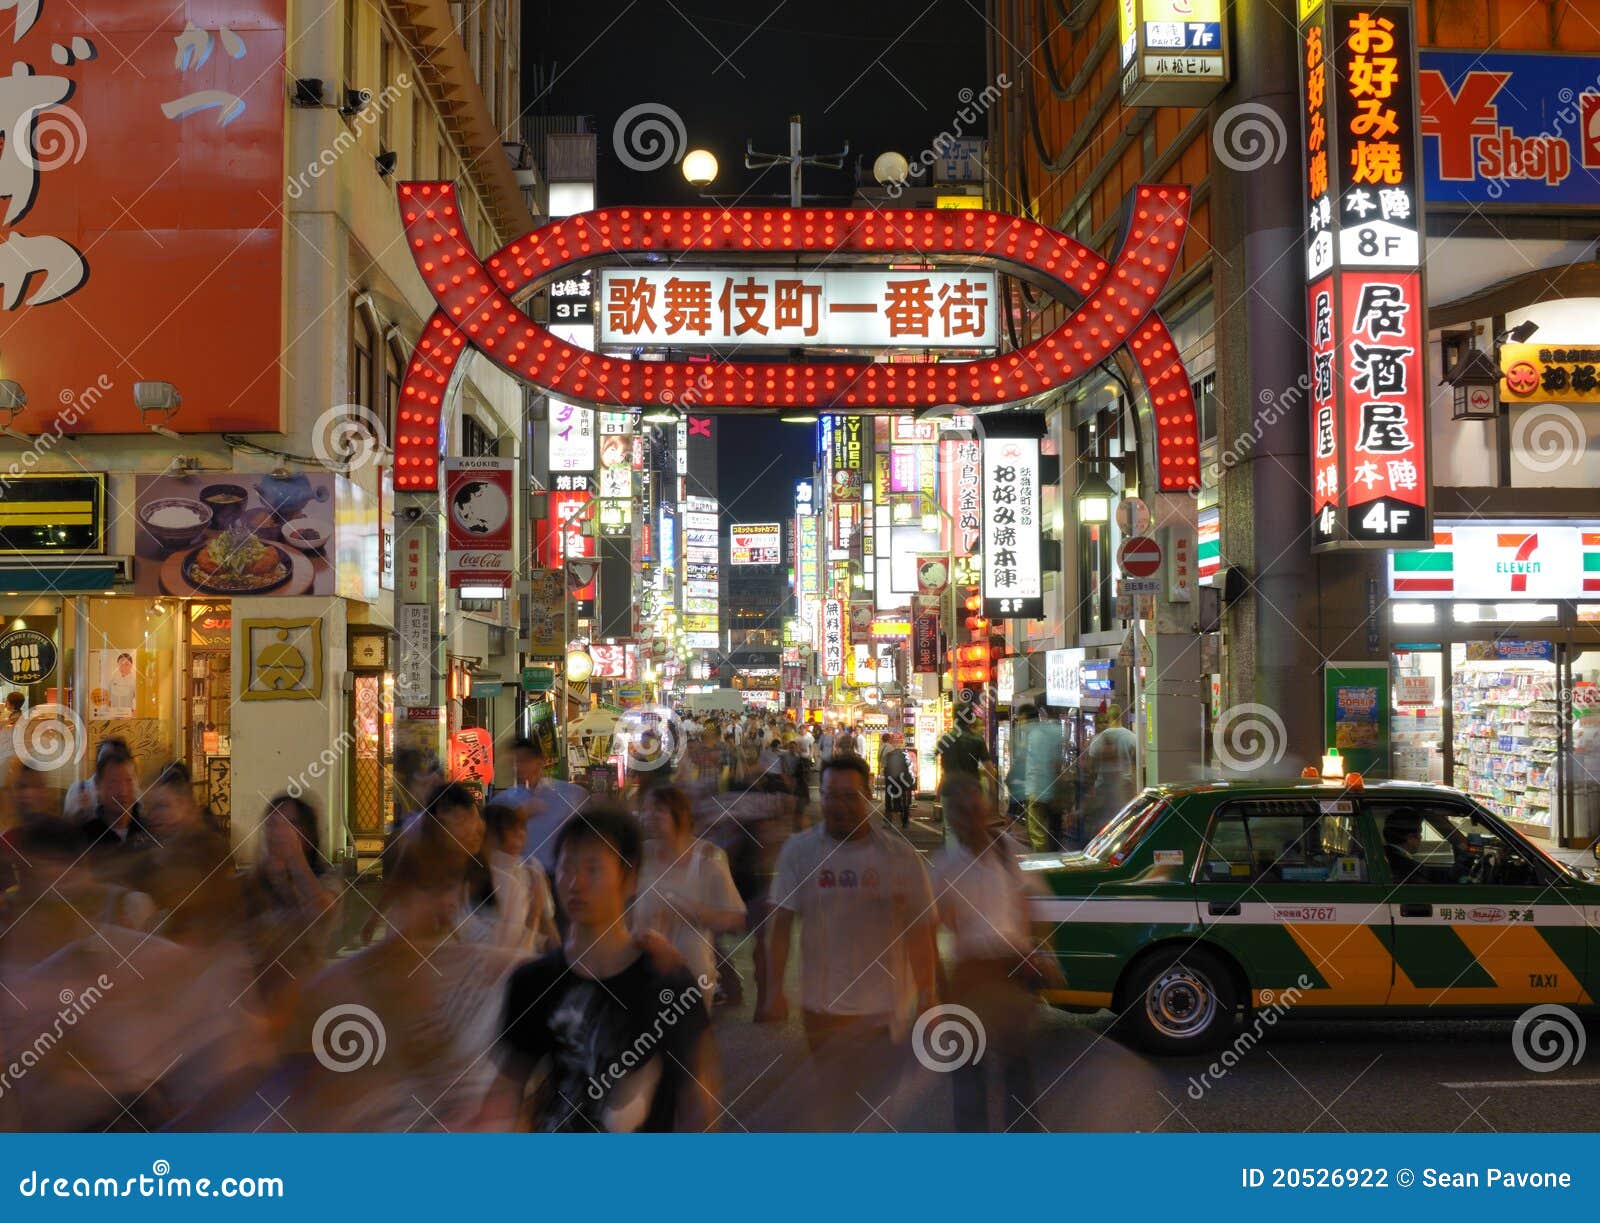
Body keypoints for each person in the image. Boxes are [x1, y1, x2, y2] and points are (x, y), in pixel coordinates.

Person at [488, 804, 719, 1131]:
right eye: (567, 867)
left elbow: (697, 1098)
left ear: (630, 878)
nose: (575, 882)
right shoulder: (535, 980)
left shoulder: (668, 984)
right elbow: (508, 1088)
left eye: (592, 868)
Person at [761, 754, 938, 1052]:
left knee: (878, 1095)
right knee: (833, 1094)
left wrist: (927, 994)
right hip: (822, 1008)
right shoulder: (800, 851)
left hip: (884, 1010)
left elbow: (920, 928)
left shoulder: (899, 857)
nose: (839, 806)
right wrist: (774, 989)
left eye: (849, 796)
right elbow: (780, 925)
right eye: (831, 796)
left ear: (868, 796)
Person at [930, 774, 1054, 1131]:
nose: (969, 816)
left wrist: (1040, 952)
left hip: (1013, 973)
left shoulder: (1008, 850)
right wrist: (937, 993)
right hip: (971, 977)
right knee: (970, 1078)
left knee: (1018, 1074)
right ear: (950, 816)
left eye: (974, 807)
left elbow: (1031, 901)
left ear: (985, 808)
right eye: (960, 811)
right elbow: (926, 933)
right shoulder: (943, 866)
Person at [630, 785, 745, 1006]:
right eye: (645, 810)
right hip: (644, 970)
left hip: (692, 975)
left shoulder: (708, 858)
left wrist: (696, 910)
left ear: (680, 814)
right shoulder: (640, 854)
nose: (648, 817)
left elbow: (736, 919)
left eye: (658, 810)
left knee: (688, 1038)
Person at [476, 798, 559, 955]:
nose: (519, 836)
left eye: (521, 829)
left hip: (525, 962)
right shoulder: (475, 875)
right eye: (508, 831)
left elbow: (547, 924)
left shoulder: (531, 869)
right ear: (488, 836)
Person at [498, 737, 585, 877]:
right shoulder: (503, 802)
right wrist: (519, 815)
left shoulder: (570, 794)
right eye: (513, 762)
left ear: (540, 762)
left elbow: (584, 835)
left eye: (523, 760)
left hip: (561, 874)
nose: (518, 767)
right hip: (520, 876)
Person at [80, 738, 154, 852]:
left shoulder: (151, 832)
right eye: (113, 782)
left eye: (129, 781)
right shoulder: (84, 838)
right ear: (98, 785)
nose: (123, 791)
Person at [1082, 704, 1138, 838]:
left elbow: (1091, 768)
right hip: (1125, 788)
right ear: (1121, 716)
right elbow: (1137, 764)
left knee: (1103, 825)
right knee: (1123, 823)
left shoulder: (1098, 739)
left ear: (1108, 717)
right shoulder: (1132, 737)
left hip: (1103, 789)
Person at [1019, 704, 1067, 852]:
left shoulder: (1035, 736)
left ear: (1026, 720)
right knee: (1051, 831)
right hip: (1051, 789)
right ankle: (1050, 862)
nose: (1020, 725)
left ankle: (1042, 869)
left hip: (1038, 790)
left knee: (1037, 833)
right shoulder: (1048, 732)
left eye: (1020, 721)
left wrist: (1035, 790)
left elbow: (1038, 764)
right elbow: (1056, 762)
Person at [937, 701, 993, 796]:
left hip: (950, 791)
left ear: (953, 718)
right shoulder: (977, 739)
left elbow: (944, 770)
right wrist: (992, 791)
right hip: (972, 790)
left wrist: (939, 792)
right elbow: (989, 767)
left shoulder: (945, 739)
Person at [880, 735, 915, 829]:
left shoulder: (889, 754)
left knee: (889, 798)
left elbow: (885, 766)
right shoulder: (906, 754)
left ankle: (888, 819)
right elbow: (910, 767)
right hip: (903, 779)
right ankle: (905, 821)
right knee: (905, 798)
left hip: (891, 779)